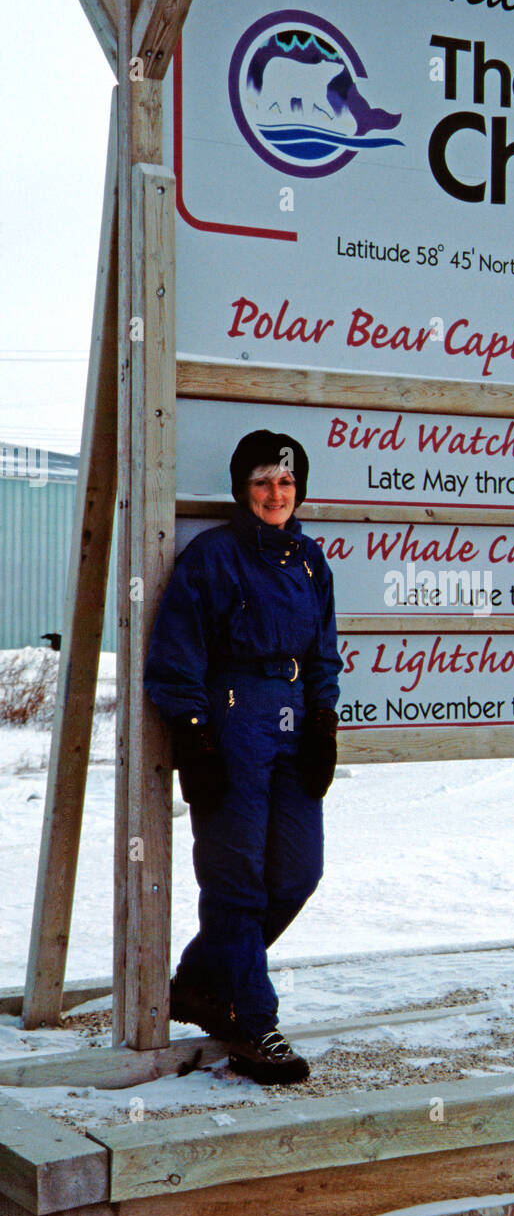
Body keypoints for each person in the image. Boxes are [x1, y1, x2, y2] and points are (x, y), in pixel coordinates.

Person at [144, 429, 343, 1083]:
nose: (275, 493)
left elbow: (323, 654)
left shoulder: (311, 562)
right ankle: (254, 1024)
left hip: (292, 719)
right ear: (242, 489)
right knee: (236, 881)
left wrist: (322, 719)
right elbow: (175, 654)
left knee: (296, 873)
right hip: (233, 717)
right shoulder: (212, 558)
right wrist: (194, 731)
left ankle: (203, 980)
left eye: (285, 482)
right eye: (262, 481)